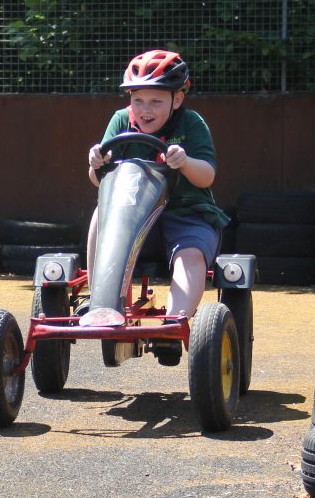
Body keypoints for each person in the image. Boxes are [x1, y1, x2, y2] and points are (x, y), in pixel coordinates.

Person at [85, 49, 229, 321]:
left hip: (187, 214)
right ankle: (100, 304)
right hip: (132, 218)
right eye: (138, 100)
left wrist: (185, 162)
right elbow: (99, 183)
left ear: (177, 99)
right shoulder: (121, 121)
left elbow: (207, 176)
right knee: (100, 214)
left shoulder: (191, 123)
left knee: (190, 256)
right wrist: (96, 164)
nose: (145, 110)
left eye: (155, 101)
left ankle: (175, 323)